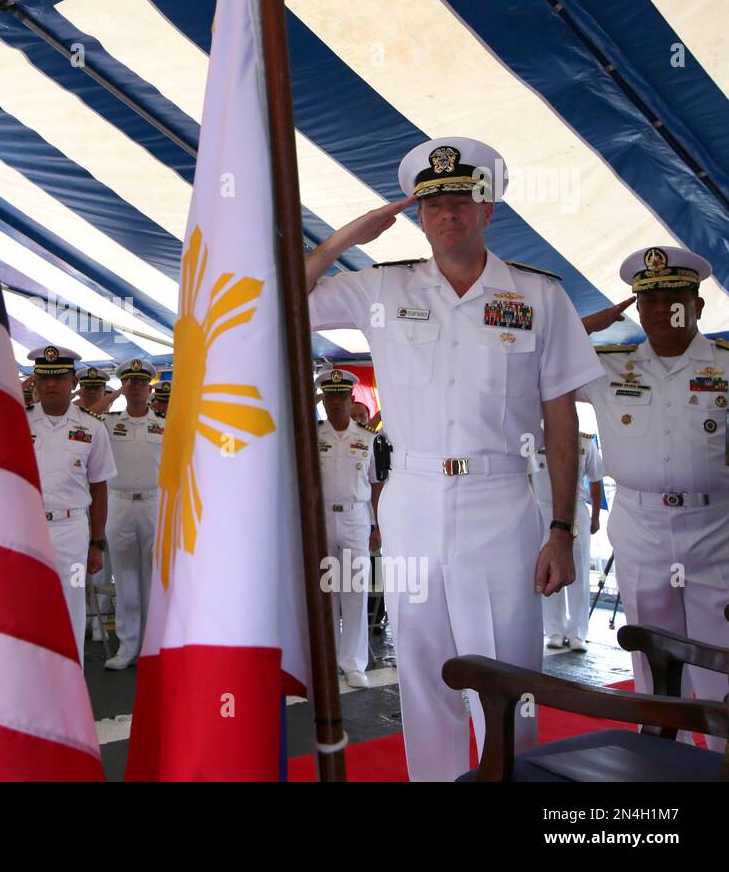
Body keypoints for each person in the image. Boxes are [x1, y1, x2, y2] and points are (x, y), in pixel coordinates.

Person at [304, 137, 604, 781]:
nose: (449, 212)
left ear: (488, 208)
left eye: (463, 197)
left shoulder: (537, 296)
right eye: (434, 201)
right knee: (422, 668)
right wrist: (343, 238)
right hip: (412, 497)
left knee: (508, 676)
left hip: (502, 502)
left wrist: (561, 529)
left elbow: (560, 416)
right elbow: (272, 300)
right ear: (417, 215)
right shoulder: (378, 287)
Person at [577, 246, 727, 750]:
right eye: (650, 302)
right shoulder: (605, 366)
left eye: (676, 299)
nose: (663, 311)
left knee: (719, 654)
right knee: (651, 654)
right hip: (640, 525)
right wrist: (587, 325)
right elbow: (531, 354)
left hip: (717, 525)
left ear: (698, 305)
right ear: (637, 309)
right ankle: (664, 761)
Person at [26, 345, 116, 664]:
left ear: (73, 381)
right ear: (35, 381)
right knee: (29, 609)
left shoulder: (92, 428)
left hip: (72, 529)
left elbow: (100, 487)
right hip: (27, 530)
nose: (52, 384)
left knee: (73, 607)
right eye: (45, 377)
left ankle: (71, 691)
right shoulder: (19, 423)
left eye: (60, 377)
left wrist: (96, 543)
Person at [315, 369, 384, 688]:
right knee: (326, 592)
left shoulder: (366, 437)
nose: (336, 403)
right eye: (330, 397)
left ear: (351, 398)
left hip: (357, 517)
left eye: (341, 396)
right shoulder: (313, 437)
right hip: (322, 518)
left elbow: (376, 486)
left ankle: (353, 663)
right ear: (324, 401)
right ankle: (327, 660)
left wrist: (377, 526)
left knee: (355, 591)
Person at [99, 358, 163, 670]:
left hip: (153, 502)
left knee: (152, 578)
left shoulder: (163, 424)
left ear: (149, 386)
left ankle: (152, 646)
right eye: (130, 382)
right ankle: (127, 647)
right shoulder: (110, 422)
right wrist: (113, 395)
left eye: (140, 381)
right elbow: (84, 415)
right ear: (124, 386)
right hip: (119, 502)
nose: (136, 386)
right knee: (124, 578)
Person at [531, 429, 604, 651]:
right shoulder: (534, 437)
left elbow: (596, 478)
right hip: (541, 510)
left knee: (579, 571)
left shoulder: (584, 440)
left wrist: (596, 516)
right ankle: (554, 630)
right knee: (546, 571)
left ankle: (578, 631)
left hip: (575, 511)